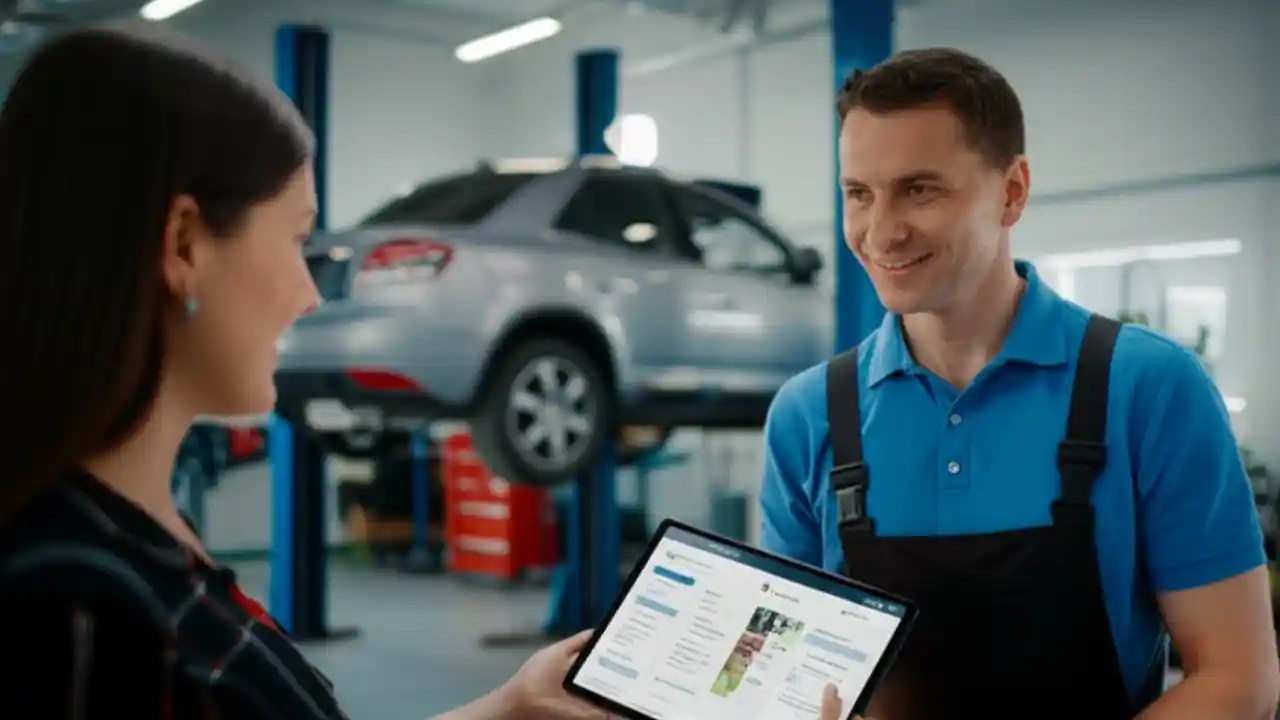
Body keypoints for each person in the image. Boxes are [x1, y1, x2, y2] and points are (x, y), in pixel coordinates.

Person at [0, 21, 846, 720]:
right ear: (185, 245)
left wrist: (510, 707)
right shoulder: (70, 609)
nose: (308, 293)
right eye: (297, 241)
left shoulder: (134, 538)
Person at [760, 47, 1280, 719]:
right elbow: (785, 679)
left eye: (920, 189)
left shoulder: (1148, 388)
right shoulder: (809, 415)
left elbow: (1240, 680)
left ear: (1012, 191)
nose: (881, 231)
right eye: (859, 193)